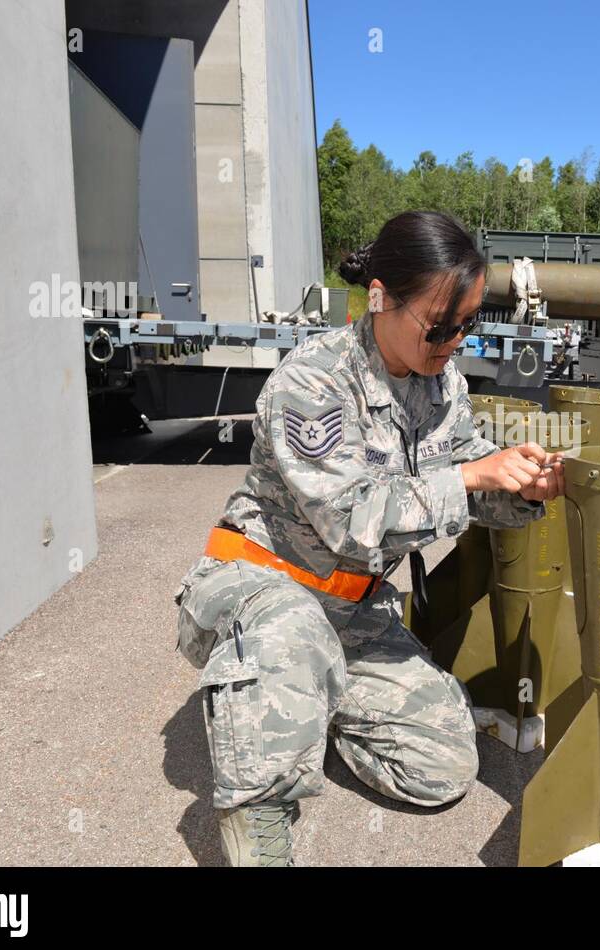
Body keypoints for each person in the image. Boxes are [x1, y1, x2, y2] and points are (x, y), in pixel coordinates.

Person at [173, 211, 565, 865]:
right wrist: (470, 474)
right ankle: (257, 811)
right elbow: (354, 522)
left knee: (443, 763)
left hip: (351, 612)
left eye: (468, 324)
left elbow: (472, 475)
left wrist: (522, 486)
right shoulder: (313, 382)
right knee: (291, 629)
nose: (453, 340)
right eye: (440, 325)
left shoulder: (444, 389)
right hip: (261, 587)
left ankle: (301, 700)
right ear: (381, 297)